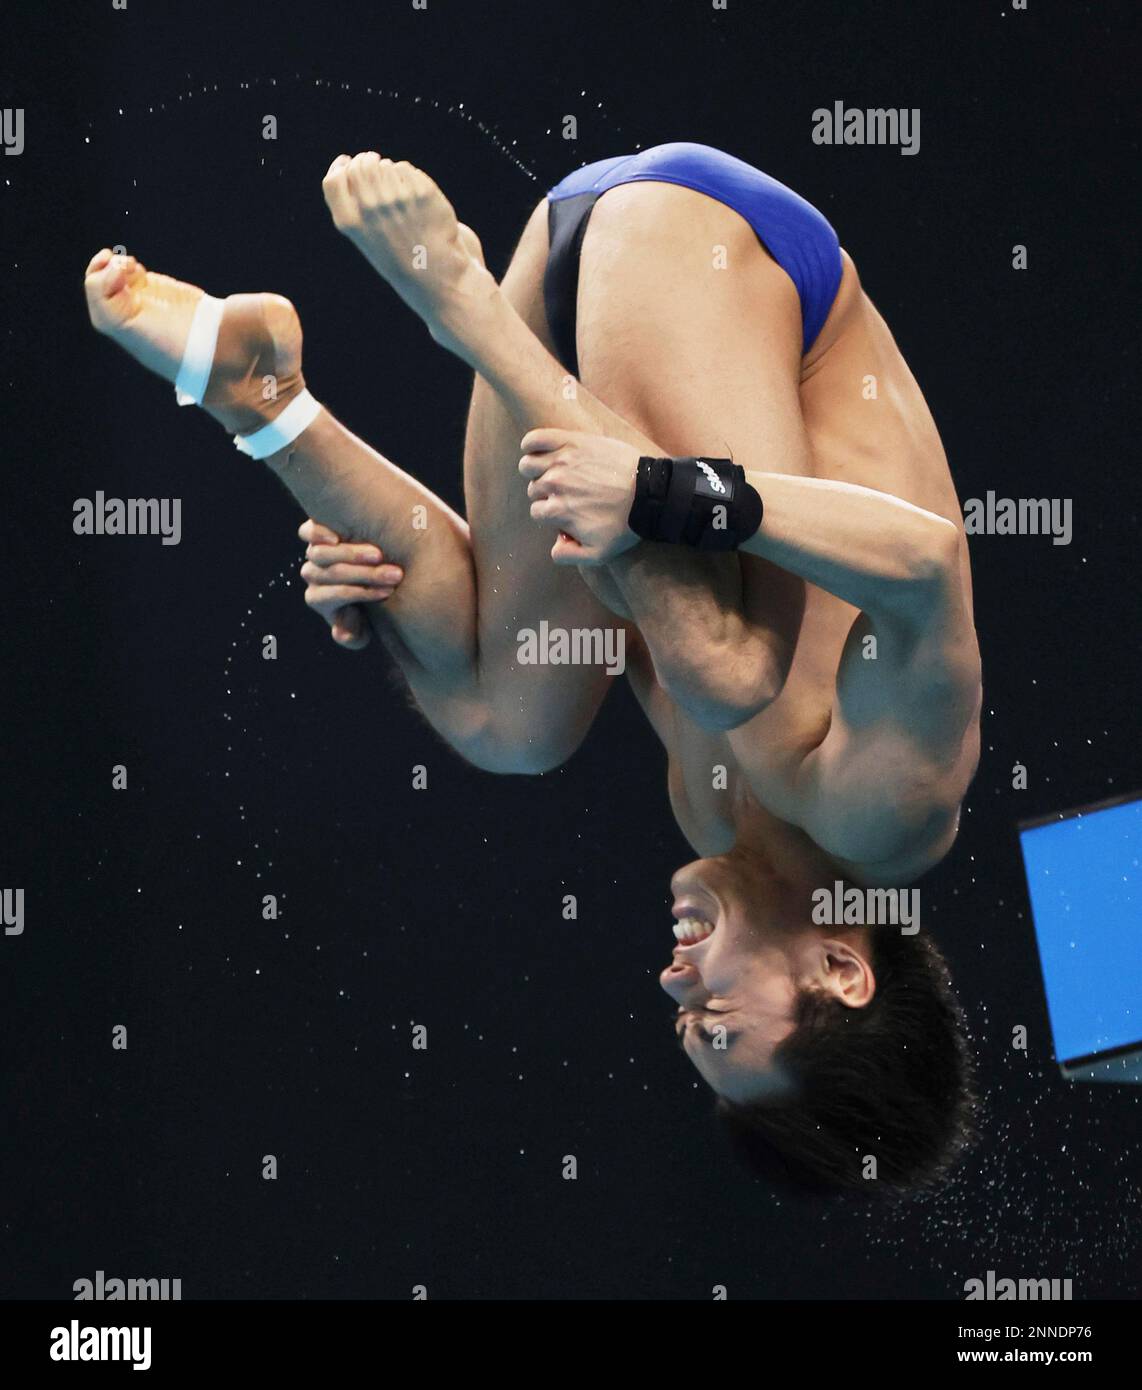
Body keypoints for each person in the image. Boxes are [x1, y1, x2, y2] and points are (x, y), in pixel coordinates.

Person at [84, 142, 980, 1194]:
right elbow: (926, 564)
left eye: (681, 1022)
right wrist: (661, 492)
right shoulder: (888, 816)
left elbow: (599, 571)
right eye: (715, 1015)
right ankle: (461, 305)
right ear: (839, 969)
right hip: (696, 239)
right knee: (728, 673)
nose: (672, 980)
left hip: (565, 285)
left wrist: (382, 595)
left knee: (509, 724)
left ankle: (261, 394)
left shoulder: (714, 820)